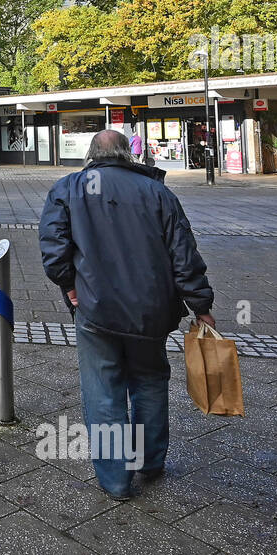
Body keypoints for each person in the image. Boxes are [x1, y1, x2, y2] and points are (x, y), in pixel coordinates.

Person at [38, 129, 215, 501]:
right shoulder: (157, 192)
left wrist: (69, 285)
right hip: (150, 311)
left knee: (103, 390)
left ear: (91, 155)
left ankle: (116, 479)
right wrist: (201, 305)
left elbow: (54, 247)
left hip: (95, 309)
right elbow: (184, 253)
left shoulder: (68, 188)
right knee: (150, 381)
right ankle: (151, 461)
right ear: (127, 154)